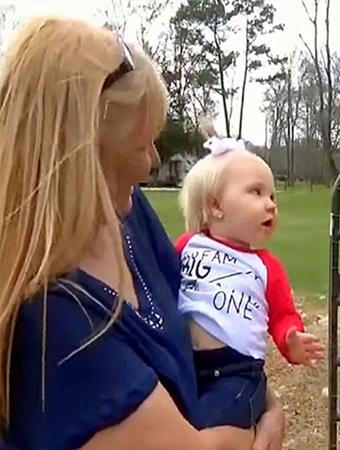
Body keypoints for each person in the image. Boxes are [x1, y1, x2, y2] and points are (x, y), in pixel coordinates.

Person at [0, 16, 284, 450]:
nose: (151, 161)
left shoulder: (127, 216)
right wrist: (269, 421)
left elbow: (198, 324)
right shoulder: (54, 324)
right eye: (141, 145)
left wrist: (258, 393)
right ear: (82, 155)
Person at [175, 129, 324, 432]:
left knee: (210, 425)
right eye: (257, 192)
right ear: (216, 206)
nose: (270, 204)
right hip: (184, 367)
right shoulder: (187, 246)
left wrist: (291, 339)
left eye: (272, 196)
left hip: (238, 374)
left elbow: (283, 316)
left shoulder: (266, 267)